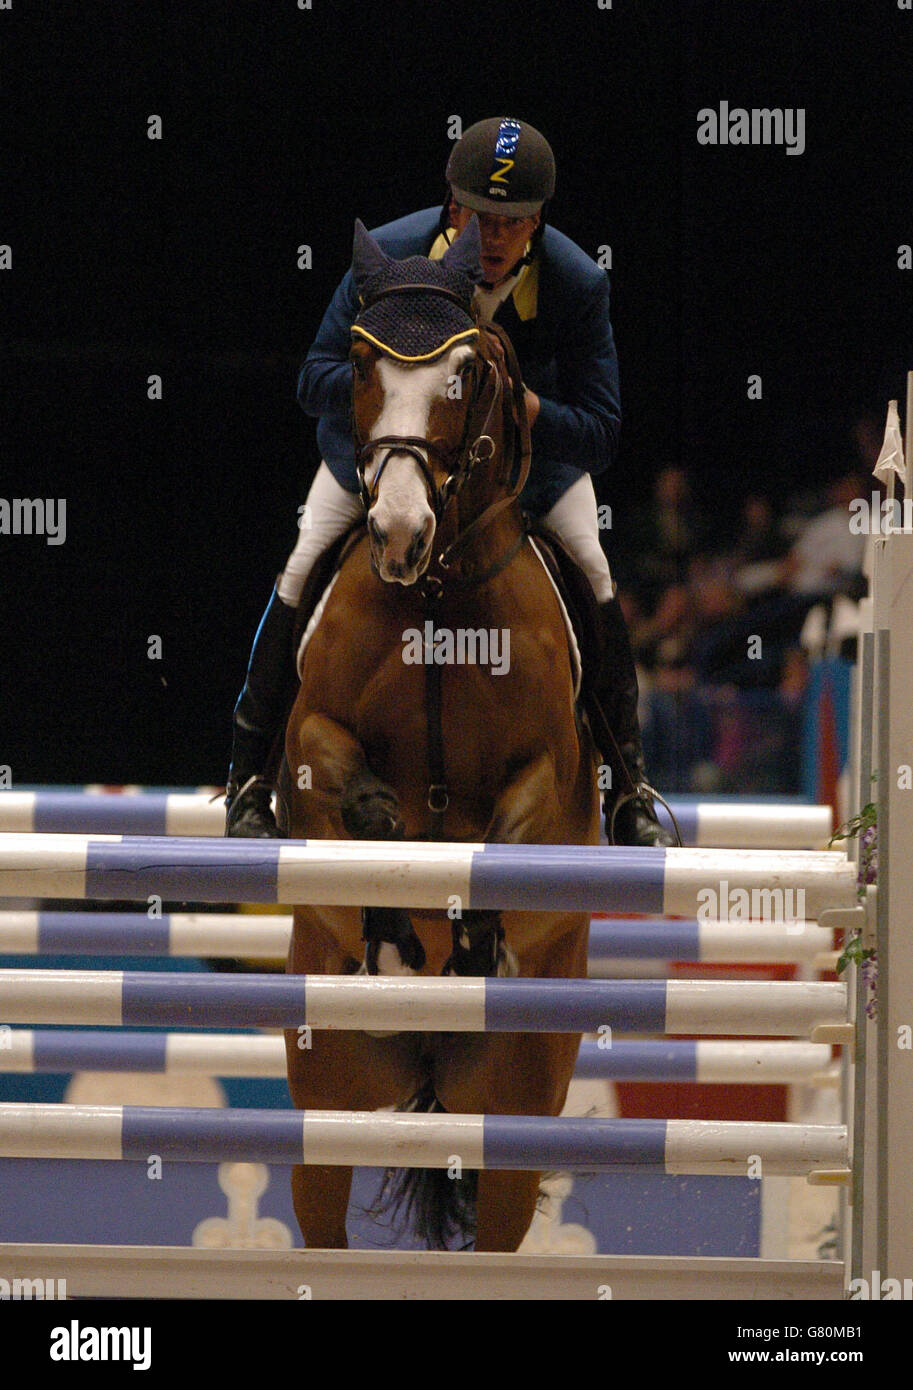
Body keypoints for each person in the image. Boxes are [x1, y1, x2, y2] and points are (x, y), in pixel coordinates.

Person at [224, 117, 675, 848]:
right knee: (302, 563)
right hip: (387, 461)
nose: (491, 238)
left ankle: (629, 786)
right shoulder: (389, 256)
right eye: (476, 215)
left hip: (525, 471)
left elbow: (600, 429)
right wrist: (395, 394)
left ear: (537, 223)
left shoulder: (576, 283)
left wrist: (519, 405)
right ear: (450, 206)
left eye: (511, 222)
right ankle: (248, 782)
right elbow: (313, 378)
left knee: (593, 571)